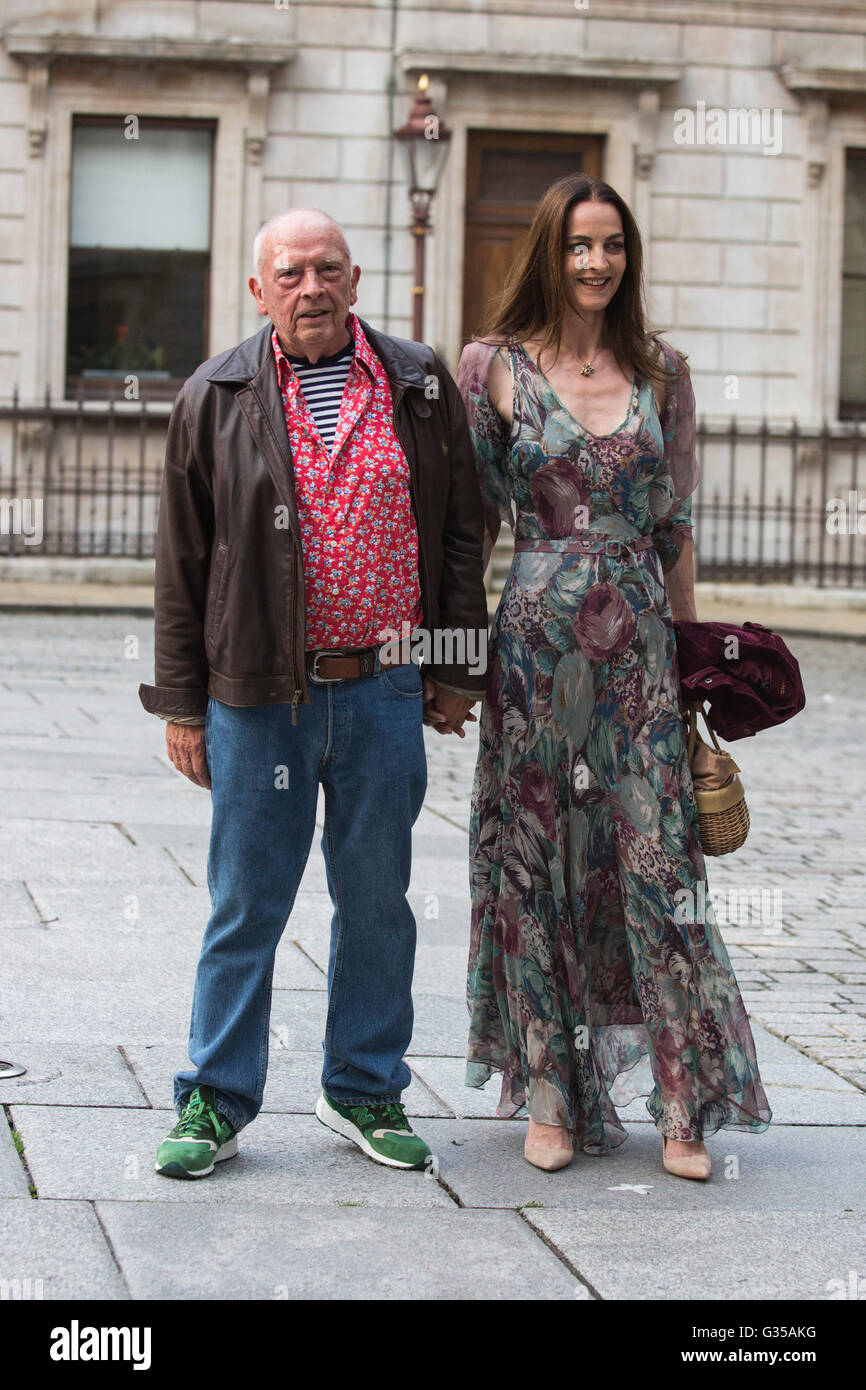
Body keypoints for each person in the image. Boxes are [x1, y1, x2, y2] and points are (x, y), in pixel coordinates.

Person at [139, 208, 487, 1178]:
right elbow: (181, 563)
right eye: (289, 272)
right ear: (260, 289)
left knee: (376, 899)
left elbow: (461, 532)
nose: (310, 286)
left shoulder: (417, 383)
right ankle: (215, 1097)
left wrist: (456, 667)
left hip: (382, 690)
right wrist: (181, 702)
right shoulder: (215, 394)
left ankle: (364, 1089)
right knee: (246, 902)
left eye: (326, 267)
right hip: (259, 697)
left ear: (356, 276)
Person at [456, 174, 771, 1180]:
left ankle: (683, 1100)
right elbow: (465, 529)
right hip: (533, 656)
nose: (595, 263)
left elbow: (673, 533)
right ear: (549, 252)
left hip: (636, 651)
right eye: (578, 246)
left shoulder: (662, 371)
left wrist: (693, 665)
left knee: (656, 864)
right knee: (534, 862)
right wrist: (447, 666)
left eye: (612, 246)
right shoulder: (489, 368)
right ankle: (550, 1090)